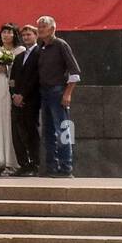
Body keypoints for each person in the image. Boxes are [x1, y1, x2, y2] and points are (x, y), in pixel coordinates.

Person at [35, 16, 81, 177]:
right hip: (44, 93)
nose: (40, 30)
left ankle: (66, 167)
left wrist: (67, 93)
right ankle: (51, 167)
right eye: (39, 27)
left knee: (63, 129)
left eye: (43, 27)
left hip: (57, 91)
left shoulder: (61, 45)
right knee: (48, 132)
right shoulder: (41, 48)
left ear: (53, 29)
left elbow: (75, 71)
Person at [0, 25, 24, 174]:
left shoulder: (20, 51)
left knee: (11, 122)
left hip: (13, 87)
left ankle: (14, 161)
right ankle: (1, 159)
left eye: (9, 32)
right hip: (0, 86)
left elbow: (21, 72)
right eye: (3, 32)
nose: (6, 35)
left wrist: (7, 69)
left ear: (14, 35)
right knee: (0, 119)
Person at [10, 23, 41, 175]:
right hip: (17, 101)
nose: (26, 37)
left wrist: (23, 95)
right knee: (18, 134)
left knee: (31, 132)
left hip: (32, 100)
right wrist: (14, 94)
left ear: (36, 35)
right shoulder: (19, 56)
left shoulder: (40, 53)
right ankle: (23, 164)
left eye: (29, 34)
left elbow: (36, 77)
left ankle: (34, 165)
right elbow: (13, 78)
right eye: (24, 35)